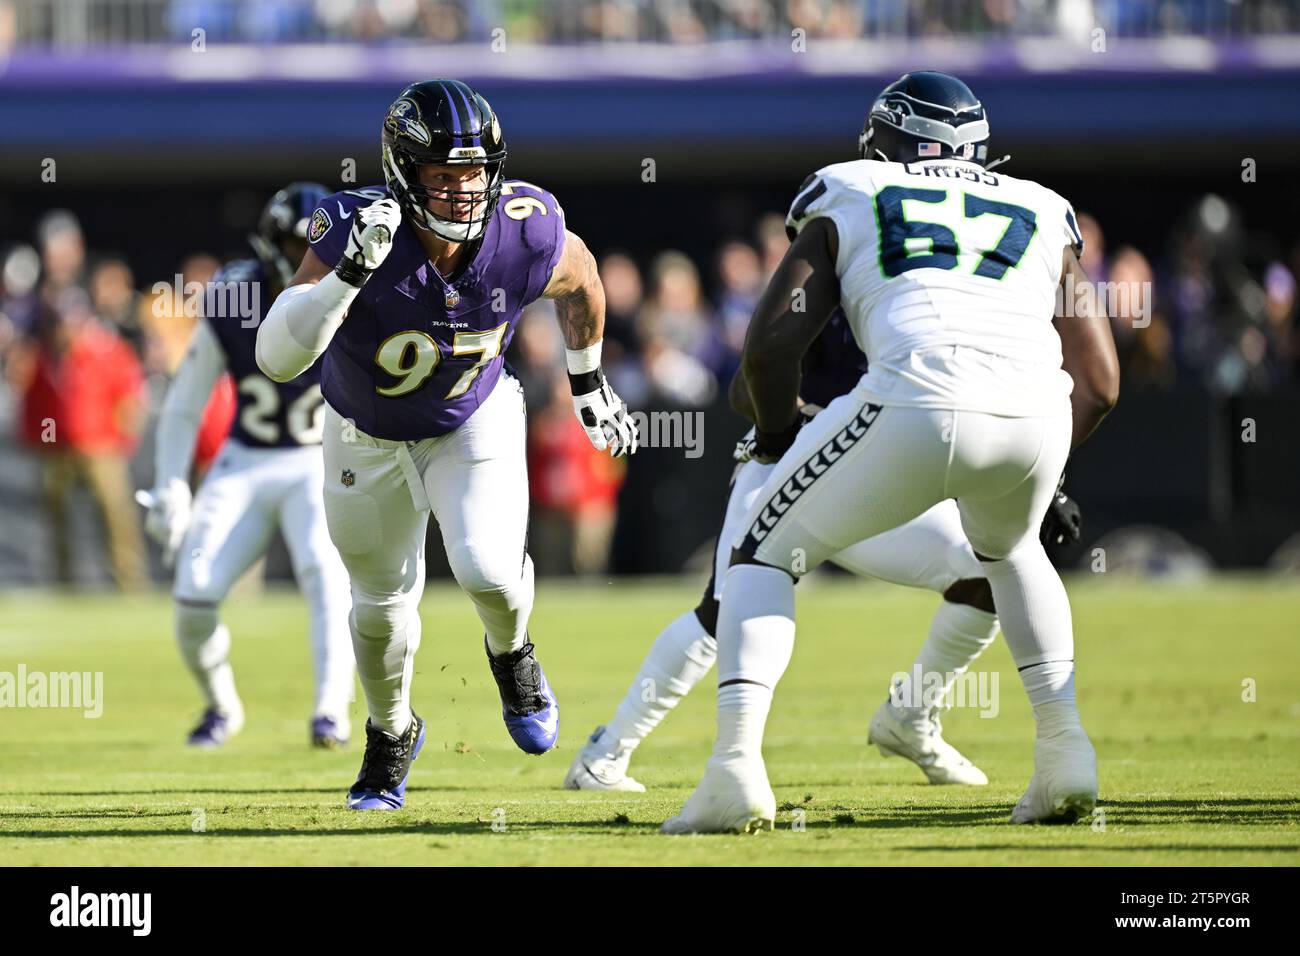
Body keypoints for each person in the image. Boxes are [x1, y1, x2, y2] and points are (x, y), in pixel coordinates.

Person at [665, 71, 1119, 833]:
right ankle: (1065, 753)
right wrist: (1047, 474)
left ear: (887, 142)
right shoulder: (1043, 207)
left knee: (758, 552)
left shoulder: (848, 188)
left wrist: (778, 442)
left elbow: (771, 349)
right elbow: (1101, 383)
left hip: (914, 395)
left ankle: (733, 770)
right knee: (1010, 556)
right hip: (1036, 412)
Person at [255, 79, 637, 810]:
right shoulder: (349, 224)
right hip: (362, 434)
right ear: (403, 170)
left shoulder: (525, 225)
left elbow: (582, 276)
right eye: (443, 173)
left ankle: (513, 653)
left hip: (471, 415)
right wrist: (349, 276)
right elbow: (277, 356)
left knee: (490, 570)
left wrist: (587, 383)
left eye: (474, 171)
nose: (463, 191)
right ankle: (392, 731)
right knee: (380, 608)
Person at [142, 183, 355, 749]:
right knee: (193, 592)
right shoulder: (236, 292)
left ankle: (332, 710)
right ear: (269, 244)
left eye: (315, 243)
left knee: (325, 574)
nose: (302, 258)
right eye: (293, 244)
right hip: (245, 460)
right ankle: (222, 707)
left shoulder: (359, 287)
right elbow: (185, 402)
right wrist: (170, 486)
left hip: (318, 458)